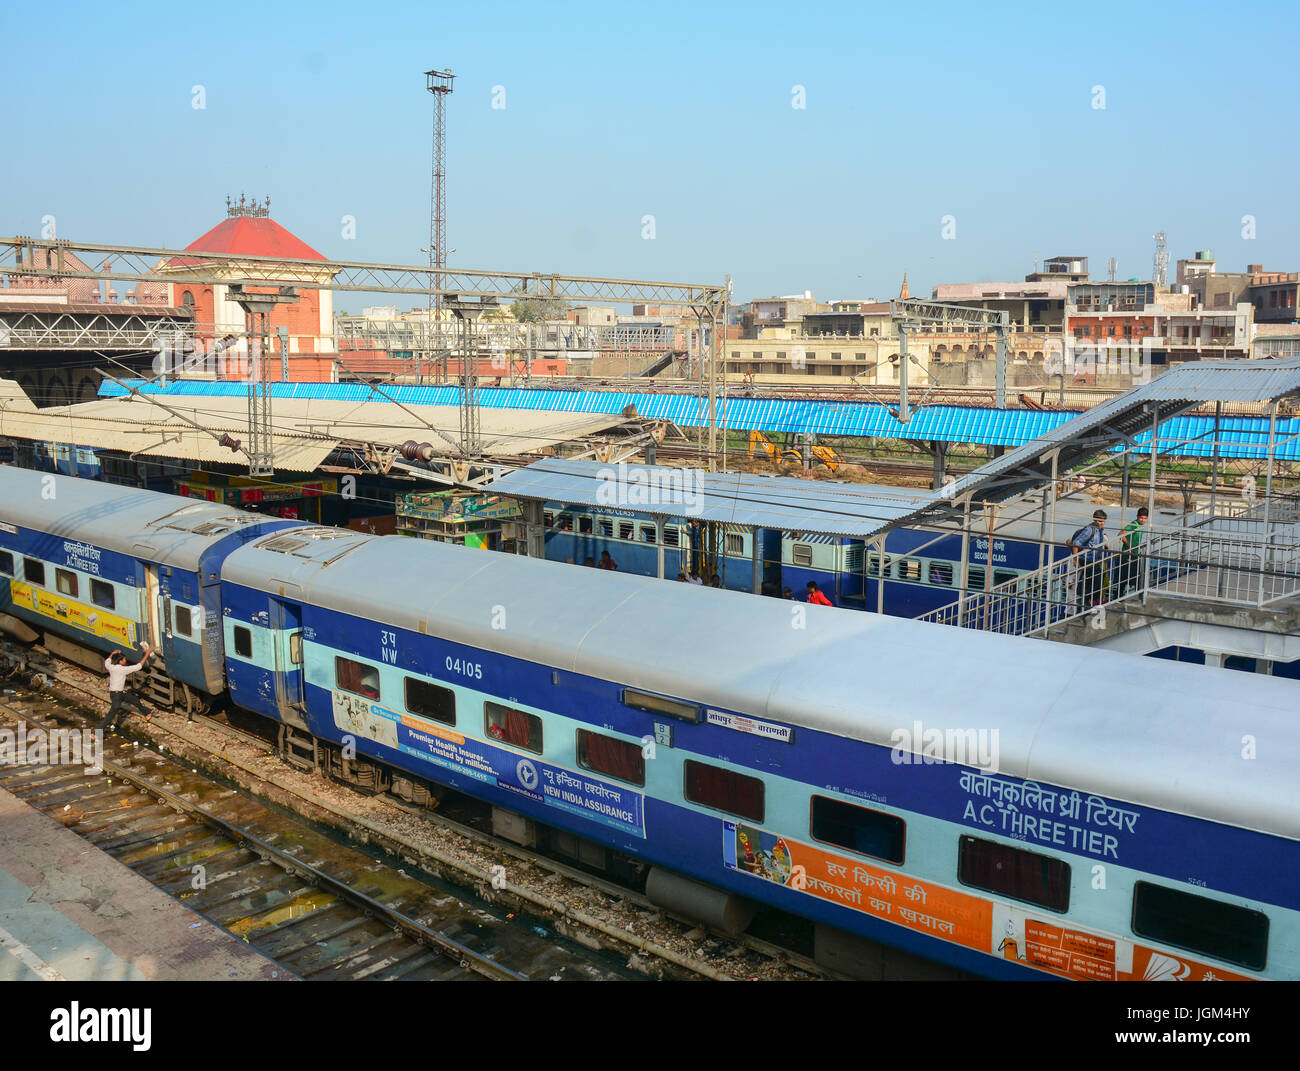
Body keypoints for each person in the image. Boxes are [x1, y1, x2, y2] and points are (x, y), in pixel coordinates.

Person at [100, 643, 153, 732]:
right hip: (117, 696)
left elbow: (107, 662)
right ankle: (96, 732)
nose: (125, 661)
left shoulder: (111, 667)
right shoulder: (122, 669)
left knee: (134, 700)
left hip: (118, 694)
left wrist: (112, 654)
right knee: (111, 715)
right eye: (124, 660)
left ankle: (147, 712)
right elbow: (139, 666)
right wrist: (147, 654)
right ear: (120, 661)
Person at [1069, 509, 1109, 610]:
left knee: (1092, 578)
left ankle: (1085, 599)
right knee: (1097, 576)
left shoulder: (1100, 530)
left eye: (1103, 521)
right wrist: (1075, 559)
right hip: (1086, 558)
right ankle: (1087, 599)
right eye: (1099, 521)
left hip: (1094, 559)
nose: (1102, 523)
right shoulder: (1089, 530)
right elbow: (1076, 542)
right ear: (1094, 520)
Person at [1120, 507, 1149, 594]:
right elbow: (1121, 534)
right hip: (1128, 553)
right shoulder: (1134, 524)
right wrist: (1130, 546)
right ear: (1137, 516)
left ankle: (1133, 593)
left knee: (1135, 575)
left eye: (1145, 518)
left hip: (1135, 554)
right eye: (1141, 518)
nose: (1143, 520)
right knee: (1125, 576)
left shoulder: (1140, 526)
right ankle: (1120, 595)